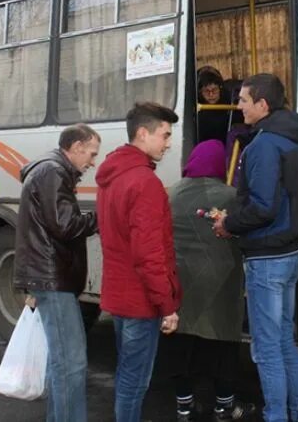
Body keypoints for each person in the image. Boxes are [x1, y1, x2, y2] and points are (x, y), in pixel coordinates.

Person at [212, 73, 298, 422]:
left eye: (242, 100)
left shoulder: (264, 146)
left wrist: (228, 223)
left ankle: (276, 417)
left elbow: (263, 207)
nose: (237, 106)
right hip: (289, 255)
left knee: (267, 351)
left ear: (262, 105)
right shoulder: (293, 141)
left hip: (267, 259)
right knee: (284, 345)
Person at [96, 102, 182, 422]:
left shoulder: (112, 175)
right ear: (143, 134)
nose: (168, 143)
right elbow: (149, 254)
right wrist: (167, 304)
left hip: (119, 295)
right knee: (135, 382)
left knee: (126, 376)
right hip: (141, 300)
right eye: (165, 135)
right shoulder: (144, 182)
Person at [14, 123, 101, 422]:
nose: (92, 161)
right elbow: (65, 225)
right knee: (71, 363)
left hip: (50, 277)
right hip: (53, 278)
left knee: (63, 363)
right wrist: (99, 218)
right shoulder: (54, 172)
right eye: (91, 154)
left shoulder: (50, 170)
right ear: (76, 147)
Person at [167, 139, 256, 422]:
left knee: (181, 346)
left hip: (180, 283)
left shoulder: (171, 195)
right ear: (219, 164)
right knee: (222, 345)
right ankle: (224, 406)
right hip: (220, 284)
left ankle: (184, 406)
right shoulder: (231, 196)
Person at [196, 66, 232, 144]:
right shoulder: (195, 107)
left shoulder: (230, 105)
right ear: (199, 92)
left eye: (214, 90)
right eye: (206, 91)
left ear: (220, 88)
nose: (211, 94)